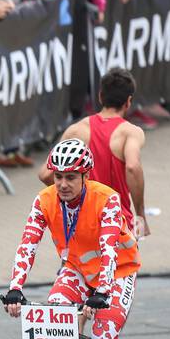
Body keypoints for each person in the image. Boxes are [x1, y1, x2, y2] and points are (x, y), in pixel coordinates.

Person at [1, 138, 141, 339]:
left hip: (117, 272)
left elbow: (108, 250)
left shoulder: (108, 200)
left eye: (70, 178)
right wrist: (15, 288)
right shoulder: (44, 200)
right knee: (53, 324)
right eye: (58, 176)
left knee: (104, 338)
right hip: (76, 270)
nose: (62, 184)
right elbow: (28, 244)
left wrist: (101, 292)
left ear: (85, 176)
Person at [38, 68, 149, 236]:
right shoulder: (130, 132)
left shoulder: (75, 130)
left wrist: (72, 196)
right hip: (117, 225)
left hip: (81, 223)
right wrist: (140, 215)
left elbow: (46, 174)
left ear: (100, 96)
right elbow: (132, 167)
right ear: (128, 101)